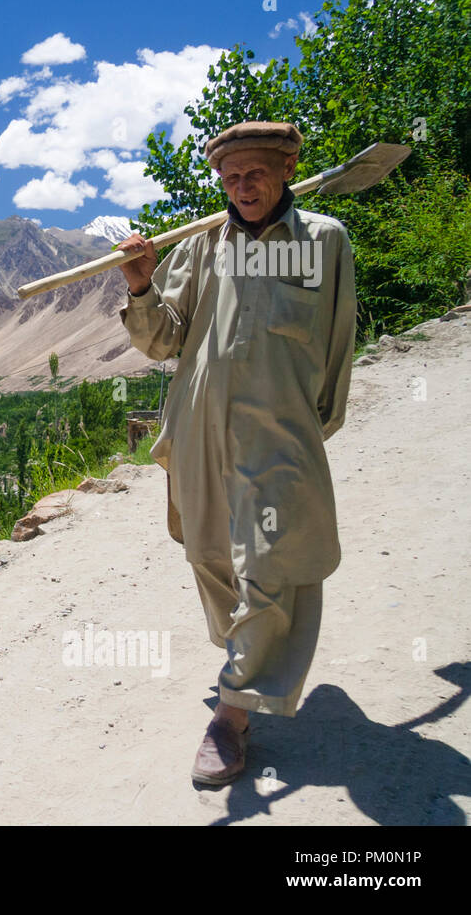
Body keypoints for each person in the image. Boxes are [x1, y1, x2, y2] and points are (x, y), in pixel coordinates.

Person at [117, 121, 356, 785]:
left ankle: (230, 716)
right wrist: (141, 286)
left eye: (255, 173)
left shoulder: (323, 242)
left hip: (280, 438)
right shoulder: (199, 247)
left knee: (273, 567)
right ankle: (244, 669)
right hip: (200, 431)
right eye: (230, 178)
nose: (243, 188)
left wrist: (314, 431)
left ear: (286, 169)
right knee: (213, 559)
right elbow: (161, 342)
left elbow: (337, 343)